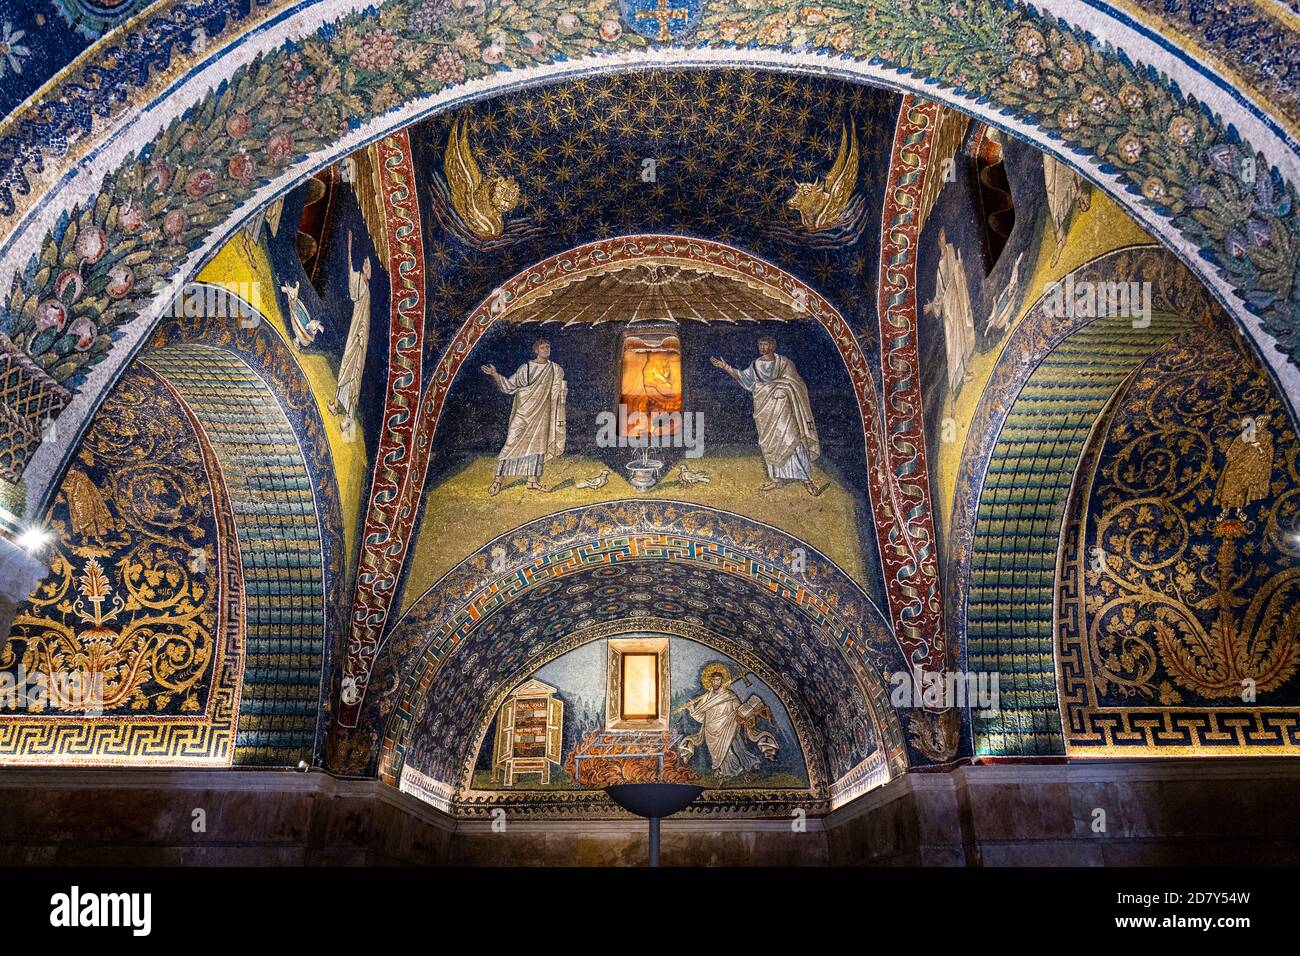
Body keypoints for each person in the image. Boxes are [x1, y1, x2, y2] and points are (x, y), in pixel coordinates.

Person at [711, 336, 821, 495]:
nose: (763, 347)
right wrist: (725, 367)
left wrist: (783, 388)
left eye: (766, 344)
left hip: (784, 407)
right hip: (765, 409)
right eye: (760, 344)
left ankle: (807, 480)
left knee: (792, 439)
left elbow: (797, 383)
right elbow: (744, 378)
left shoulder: (784, 363)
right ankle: (776, 479)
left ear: (773, 345)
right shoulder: (756, 365)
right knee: (770, 442)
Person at [481, 340, 567, 495]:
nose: (546, 349)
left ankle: (533, 481)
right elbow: (509, 386)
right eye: (542, 347)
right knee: (511, 443)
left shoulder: (555, 369)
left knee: (538, 447)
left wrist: (562, 394)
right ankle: (498, 481)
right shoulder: (526, 368)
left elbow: (557, 391)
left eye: (548, 347)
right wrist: (495, 374)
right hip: (524, 412)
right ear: (536, 350)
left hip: (542, 413)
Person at [329, 231, 372, 421]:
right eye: (365, 265)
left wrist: (348, 250)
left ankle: (348, 415)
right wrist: (348, 249)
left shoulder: (367, 289)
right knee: (347, 364)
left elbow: (352, 280)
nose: (366, 268)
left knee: (353, 370)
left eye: (367, 266)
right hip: (355, 333)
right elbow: (352, 280)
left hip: (358, 337)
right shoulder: (362, 285)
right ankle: (337, 404)